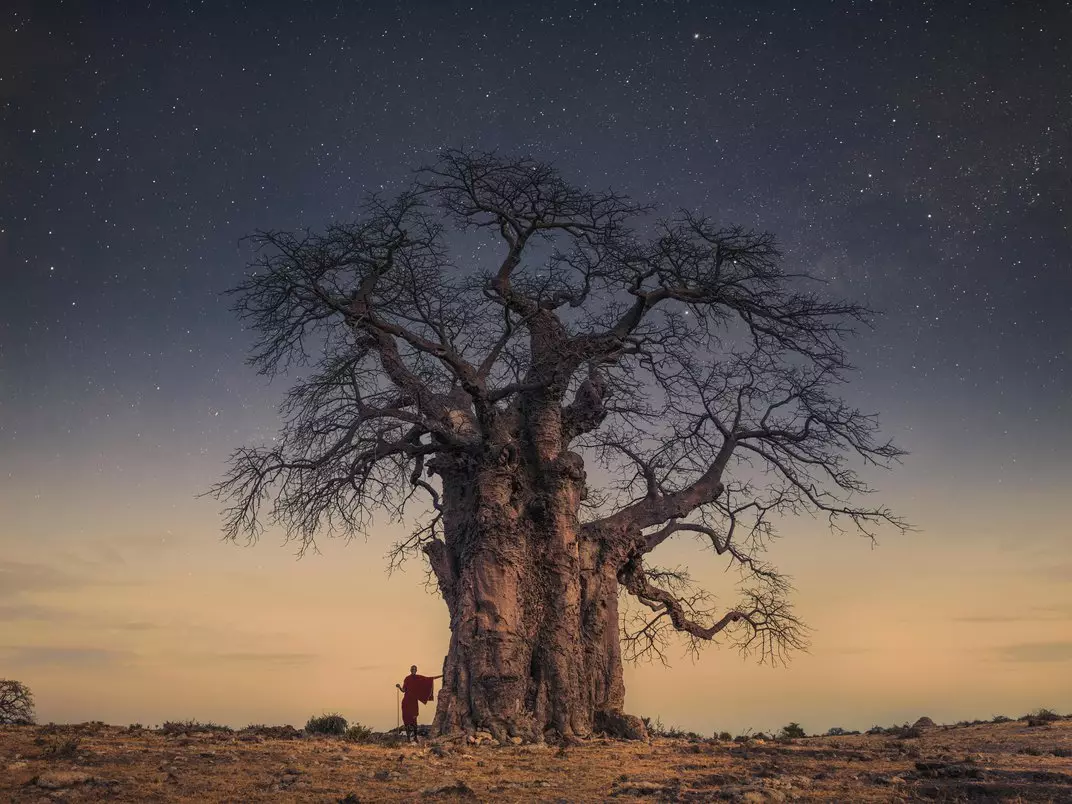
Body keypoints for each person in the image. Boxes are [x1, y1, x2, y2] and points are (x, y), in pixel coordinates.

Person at [396, 665, 441, 742]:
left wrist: (441, 675)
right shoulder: (407, 678)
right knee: (406, 721)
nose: (413, 670)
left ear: (416, 670)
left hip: (413, 702)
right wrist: (399, 687)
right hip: (406, 702)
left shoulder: (419, 678)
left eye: (415, 669)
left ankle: (415, 737)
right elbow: (403, 690)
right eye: (412, 669)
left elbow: (429, 679)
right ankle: (408, 739)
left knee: (414, 721)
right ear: (410, 670)